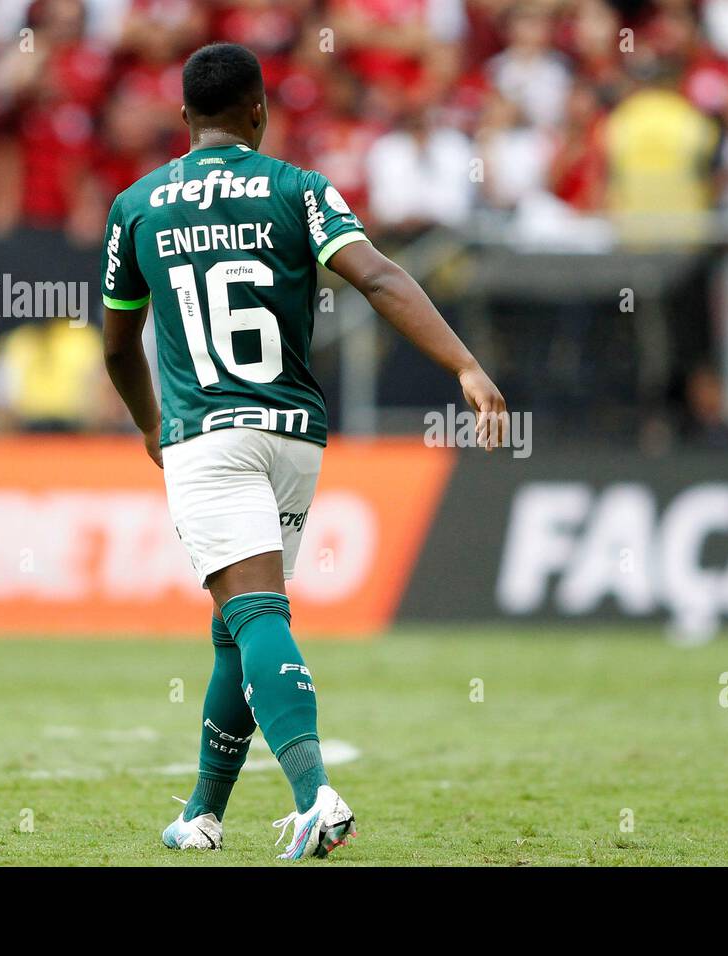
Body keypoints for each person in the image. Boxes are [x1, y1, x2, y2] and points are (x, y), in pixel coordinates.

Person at [100, 43, 506, 860]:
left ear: (184, 119)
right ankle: (204, 814)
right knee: (237, 627)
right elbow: (383, 278)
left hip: (206, 436)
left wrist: (150, 424)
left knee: (253, 612)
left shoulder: (136, 205)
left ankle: (314, 794)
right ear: (259, 110)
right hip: (293, 434)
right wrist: (463, 364)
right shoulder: (300, 188)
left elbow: (116, 345)